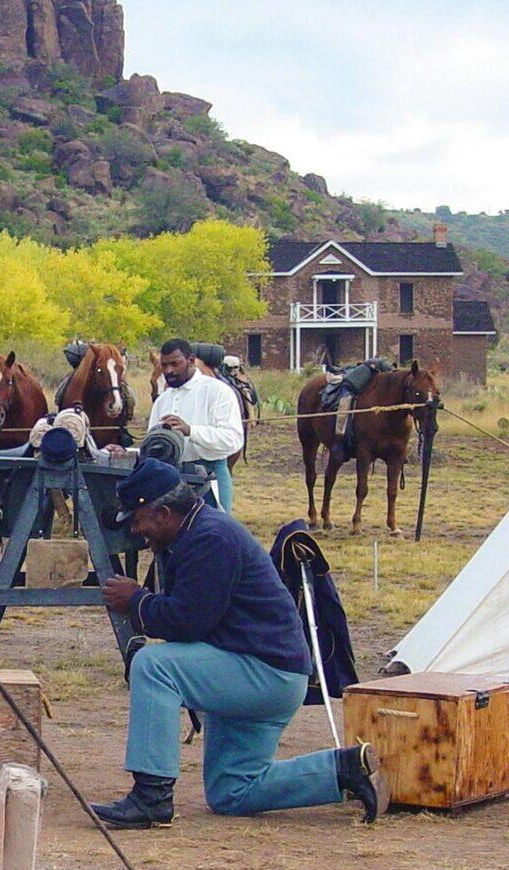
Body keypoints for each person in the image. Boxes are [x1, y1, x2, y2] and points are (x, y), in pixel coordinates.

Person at [90, 459, 388, 828]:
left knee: (154, 665)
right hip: (262, 670)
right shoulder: (197, 531)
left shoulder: (210, 538)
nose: (137, 532)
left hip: (265, 675)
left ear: (164, 513)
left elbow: (188, 623)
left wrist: (136, 601)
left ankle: (151, 798)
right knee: (232, 793)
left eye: (138, 521)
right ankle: (342, 769)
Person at [145, 338, 244, 511]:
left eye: (175, 364)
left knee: (213, 535)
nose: (169, 370)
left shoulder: (218, 391)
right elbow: (151, 445)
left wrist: (190, 430)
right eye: (165, 365)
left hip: (210, 475)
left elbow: (233, 440)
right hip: (171, 479)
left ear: (191, 361)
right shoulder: (162, 401)